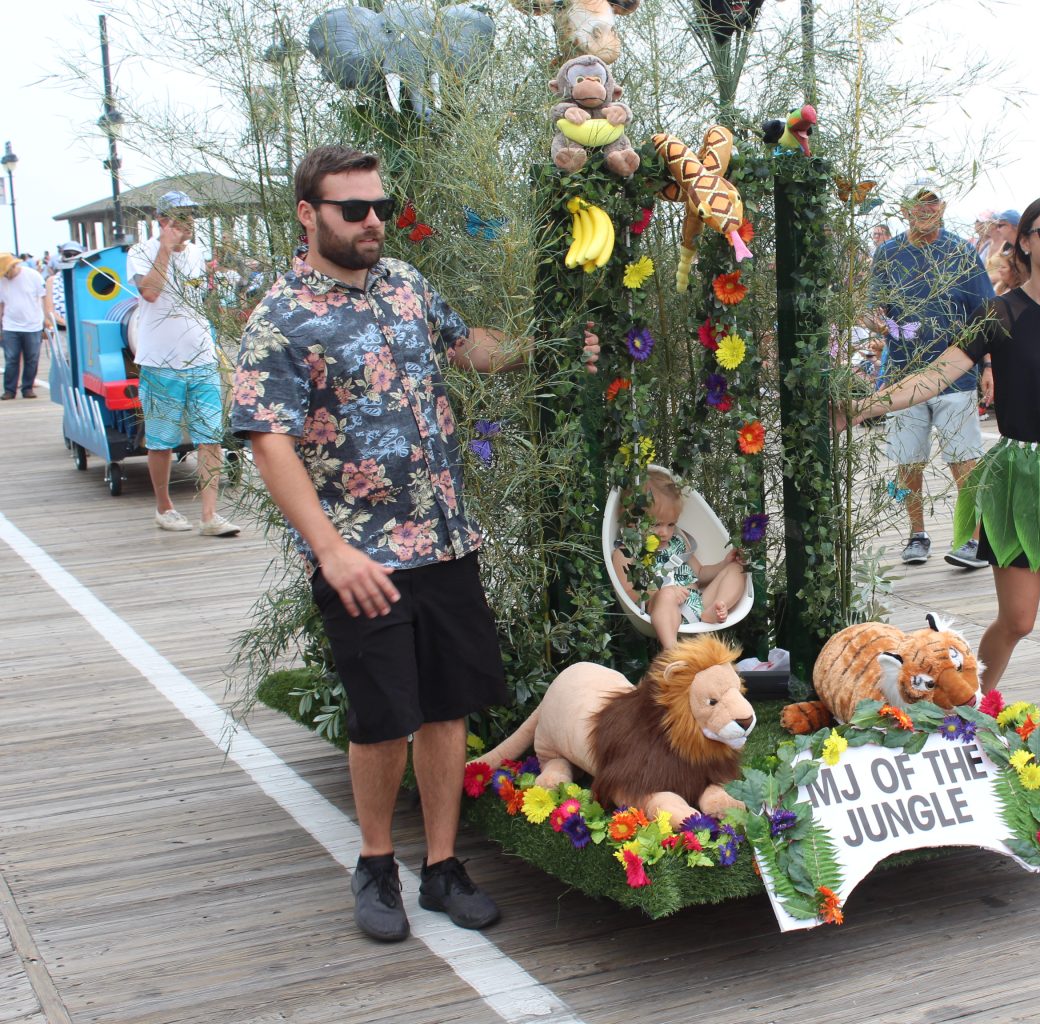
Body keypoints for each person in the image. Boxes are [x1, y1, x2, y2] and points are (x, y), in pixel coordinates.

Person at [230, 144, 602, 942]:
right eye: (353, 209)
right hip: (362, 556)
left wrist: (549, 347)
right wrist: (330, 551)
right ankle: (374, 866)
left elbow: (468, 346)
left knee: (445, 708)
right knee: (381, 717)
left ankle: (440, 866)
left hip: (445, 540)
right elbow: (268, 440)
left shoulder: (404, 283)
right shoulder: (280, 317)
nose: (373, 221)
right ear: (308, 214)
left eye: (380, 207)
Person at [846, 196, 1040, 729]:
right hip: (1020, 478)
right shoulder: (999, 313)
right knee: (1018, 620)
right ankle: (963, 708)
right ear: (1025, 242)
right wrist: (863, 407)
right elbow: (936, 375)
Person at [867, 177, 995, 570]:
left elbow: (985, 314)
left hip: (957, 373)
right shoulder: (887, 253)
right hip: (904, 375)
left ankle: (974, 539)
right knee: (908, 461)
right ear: (903, 209)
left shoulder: (961, 250)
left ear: (942, 206)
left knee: (964, 459)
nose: (925, 209)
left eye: (932, 202)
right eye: (917, 203)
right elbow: (874, 308)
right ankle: (916, 534)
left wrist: (989, 366)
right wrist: (881, 324)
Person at [128, 192, 242, 537]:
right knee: (161, 440)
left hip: (201, 357)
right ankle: (164, 507)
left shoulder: (196, 252)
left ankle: (210, 515)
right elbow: (150, 292)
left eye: (191, 216)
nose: (189, 223)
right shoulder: (140, 252)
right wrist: (165, 249)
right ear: (162, 220)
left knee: (211, 437)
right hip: (160, 362)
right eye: (180, 216)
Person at [612, 470, 747, 647]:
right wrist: (665, 592)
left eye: (671, 524)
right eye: (656, 524)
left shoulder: (677, 542)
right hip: (663, 610)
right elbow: (630, 595)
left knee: (738, 568)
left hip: (698, 603)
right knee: (667, 594)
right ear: (632, 521)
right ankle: (671, 649)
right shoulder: (626, 553)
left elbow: (700, 573)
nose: (665, 532)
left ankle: (718, 606)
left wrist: (724, 564)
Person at [0, 251, 51, 399]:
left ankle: (27, 388)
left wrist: (47, 319)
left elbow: (43, 297)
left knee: (32, 358)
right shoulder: (2, 281)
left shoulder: (32, 275)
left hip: (33, 324)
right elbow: (1, 304)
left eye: (6, 272)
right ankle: (9, 390)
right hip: (10, 325)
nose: (6, 275)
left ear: (13, 267)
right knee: (11, 358)